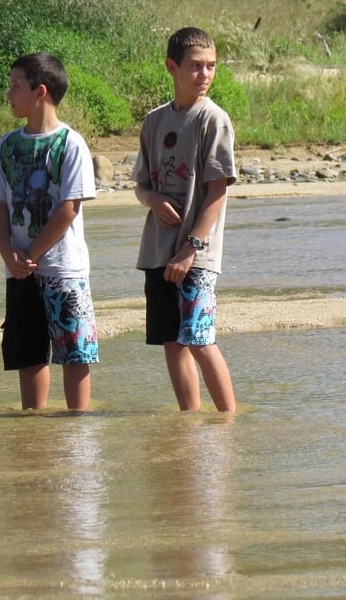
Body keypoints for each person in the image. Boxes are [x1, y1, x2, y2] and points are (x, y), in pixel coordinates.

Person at [133, 27, 238, 412]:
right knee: (172, 341)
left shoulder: (214, 119)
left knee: (200, 339)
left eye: (211, 66)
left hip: (196, 255)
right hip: (158, 251)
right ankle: (188, 422)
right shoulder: (154, 121)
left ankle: (228, 421)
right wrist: (154, 199)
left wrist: (191, 248)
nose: (205, 74)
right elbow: (141, 186)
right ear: (171, 67)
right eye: (195, 66)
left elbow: (218, 192)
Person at [0, 52, 99, 411]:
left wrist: (31, 254)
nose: (9, 94)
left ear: (40, 91)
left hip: (63, 270)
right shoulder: (7, 145)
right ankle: (32, 427)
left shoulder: (71, 143)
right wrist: (9, 254)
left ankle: (77, 426)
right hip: (19, 269)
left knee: (74, 352)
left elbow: (69, 209)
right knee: (29, 354)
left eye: (15, 86)